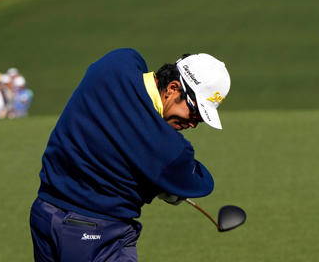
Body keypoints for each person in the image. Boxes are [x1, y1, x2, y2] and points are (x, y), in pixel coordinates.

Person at [30, 48, 231, 262]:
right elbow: (200, 183)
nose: (193, 123)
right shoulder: (170, 149)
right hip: (97, 237)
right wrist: (163, 187)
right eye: (195, 112)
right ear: (173, 88)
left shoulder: (116, 63)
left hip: (44, 215)